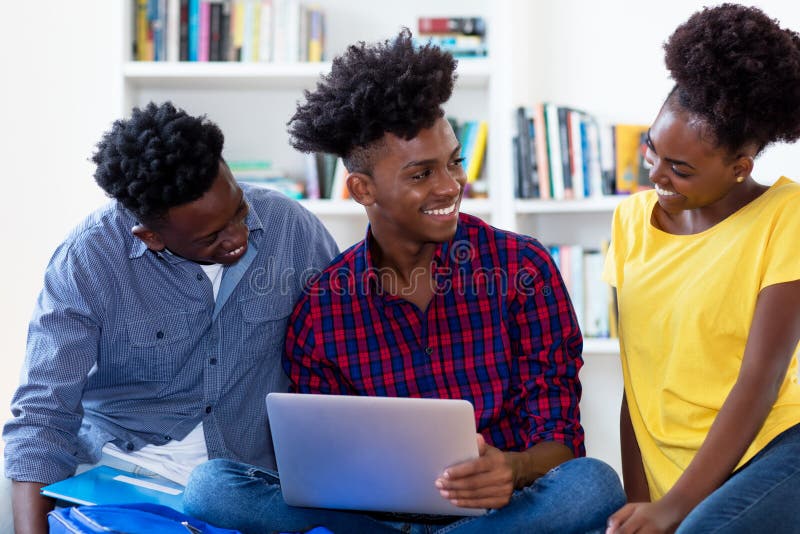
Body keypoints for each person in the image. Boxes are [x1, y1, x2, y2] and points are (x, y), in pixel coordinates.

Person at [184, 30, 624, 534]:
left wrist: (513, 469)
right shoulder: (323, 307)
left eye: (454, 161)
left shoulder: (522, 270)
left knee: (593, 484)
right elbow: (320, 466)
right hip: (374, 521)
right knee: (212, 488)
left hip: (500, 511)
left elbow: (561, 441)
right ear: (361, 188)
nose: (450, 185)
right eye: (421, 174)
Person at [2, 101, 339, 533]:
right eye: (212, 236)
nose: (239, 236)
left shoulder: (291, 229)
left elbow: (340, 350)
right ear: (152, 237)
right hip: (122, 477)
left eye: (238, 211)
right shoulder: (89, 259)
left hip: (248, 485)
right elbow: (43, 412)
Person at [603, 5, 800, 533]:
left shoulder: (787, 216)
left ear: (740, 167)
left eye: (681, 168)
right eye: (654, 151)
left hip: (777, 451)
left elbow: (760, 381)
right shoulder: (629, 223)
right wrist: (639, 501)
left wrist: (675, 507)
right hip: (677, 475)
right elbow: (636, 384)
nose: (656, 175)